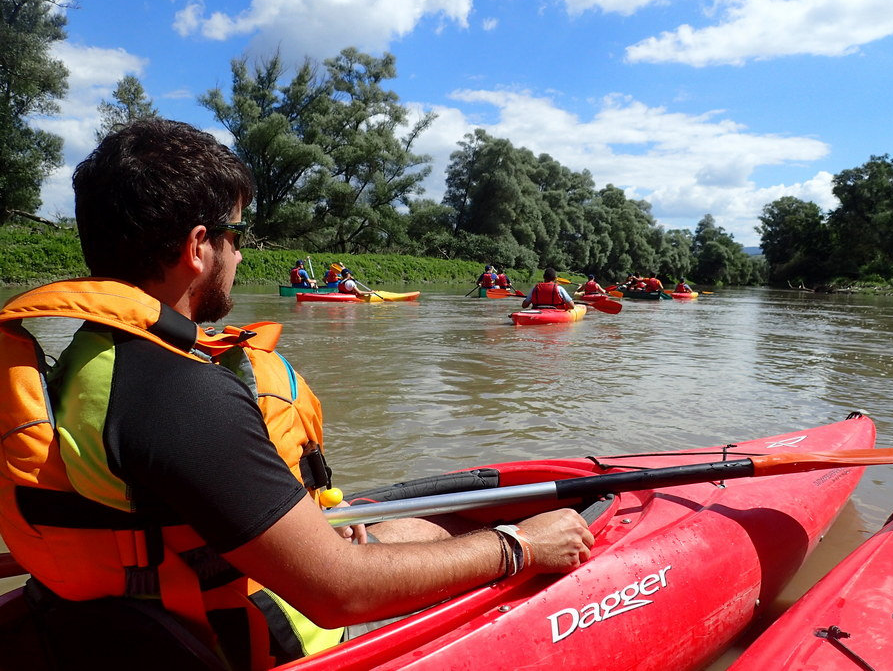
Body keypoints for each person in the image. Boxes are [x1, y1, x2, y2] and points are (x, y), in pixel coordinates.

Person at [0, 120, 593, 669]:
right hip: (250, 647)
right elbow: (340, 591)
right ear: (197, 247)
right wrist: (521, 544)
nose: (238, 254)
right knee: (454, 541)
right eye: (235, 237)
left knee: (420, 531)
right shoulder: (179, 394)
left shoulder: (87, 360)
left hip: (128, 626)